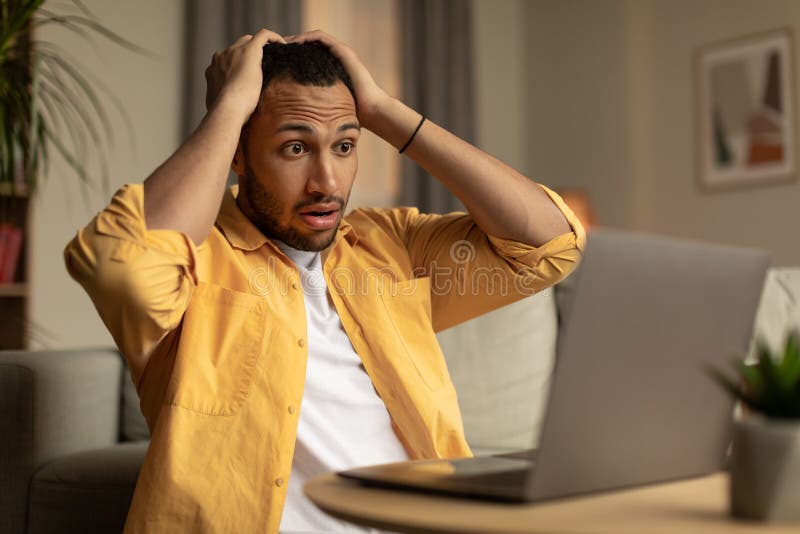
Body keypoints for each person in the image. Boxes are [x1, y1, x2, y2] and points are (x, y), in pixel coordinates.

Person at [64, 28, 585, 533]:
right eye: (295, 148)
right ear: (238, 155)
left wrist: (381, 109)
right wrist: (230, 107)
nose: (328, 183)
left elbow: (550, 246)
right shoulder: (194, 261)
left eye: (344, 146)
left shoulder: (391, 245)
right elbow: (119, 265)